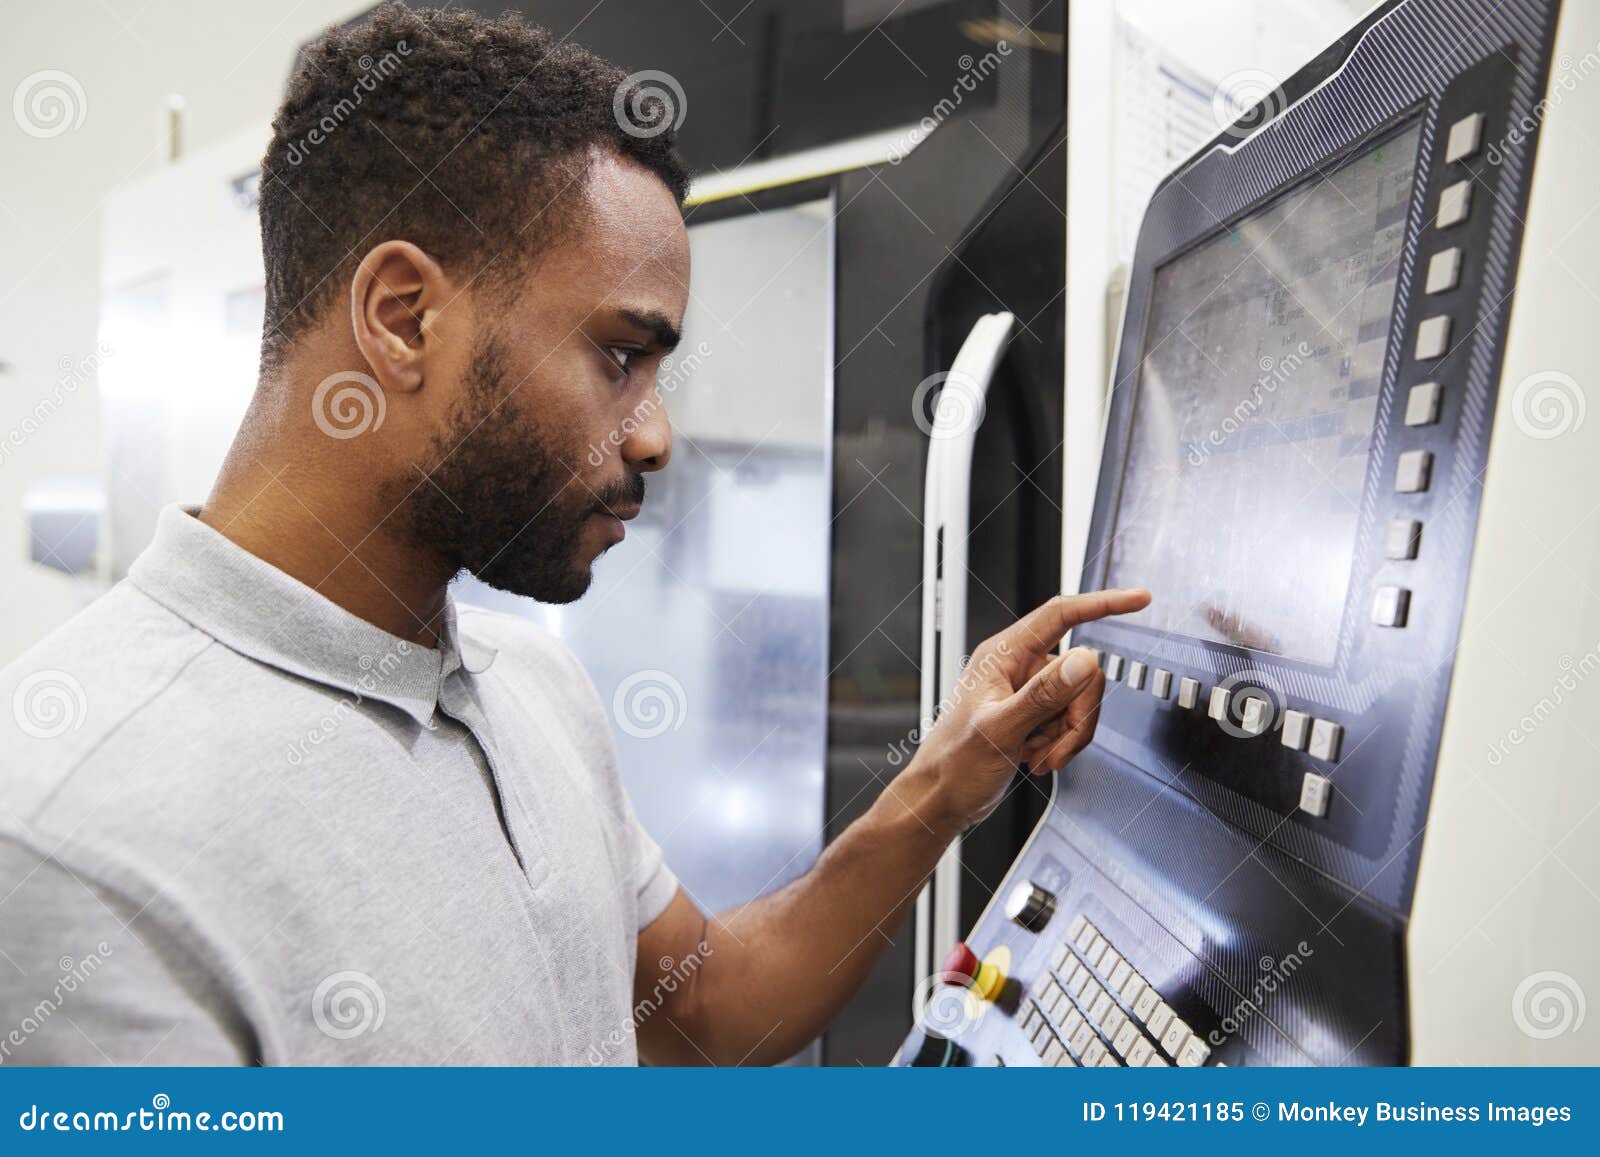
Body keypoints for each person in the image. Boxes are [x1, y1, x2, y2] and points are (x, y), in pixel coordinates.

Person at [0, 5, 1148, 1065]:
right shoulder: (68, 836)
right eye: (618, 356)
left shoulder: (529, 682)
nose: (655, 436)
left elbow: (701, 1008)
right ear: (403, 318)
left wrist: (944, 778)